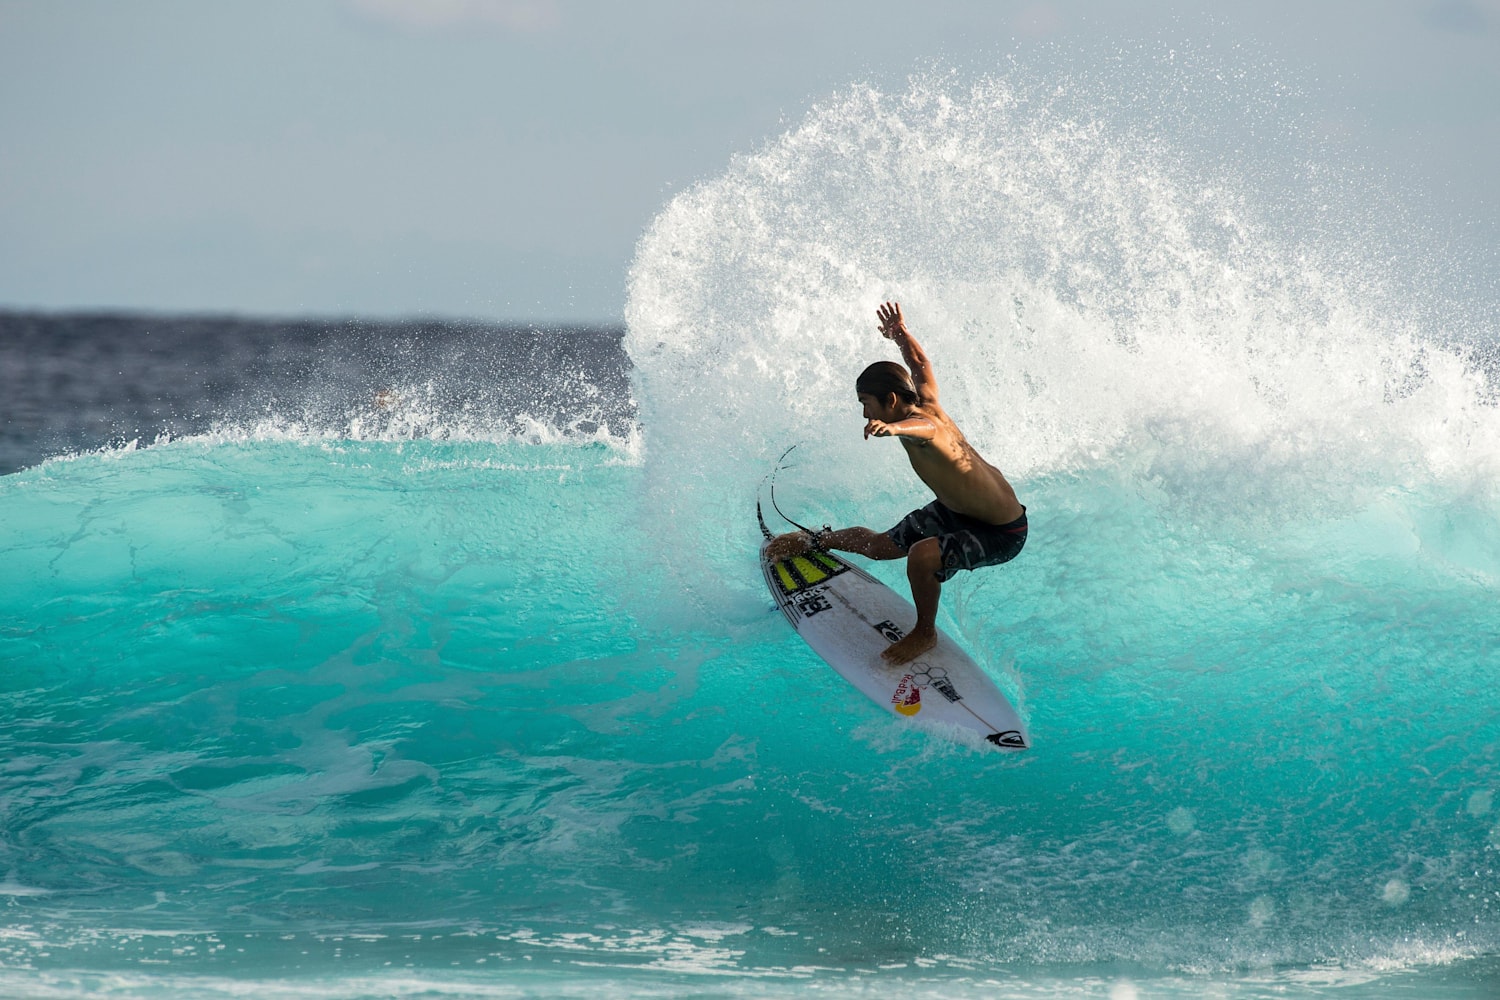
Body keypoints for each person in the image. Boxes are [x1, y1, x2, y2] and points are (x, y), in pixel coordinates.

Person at [765, 302, 1027, 665]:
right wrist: (901, 336)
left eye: (866, 403)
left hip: (1002, 532)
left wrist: (893, 428)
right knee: (879, 545)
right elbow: (921, 366)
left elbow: (925, 431)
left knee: (923, 555)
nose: (864, 413)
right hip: (958, 511)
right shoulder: (926, 399)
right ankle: (815, 540)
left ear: (890, 400)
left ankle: (924, 633)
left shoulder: (925, 425)